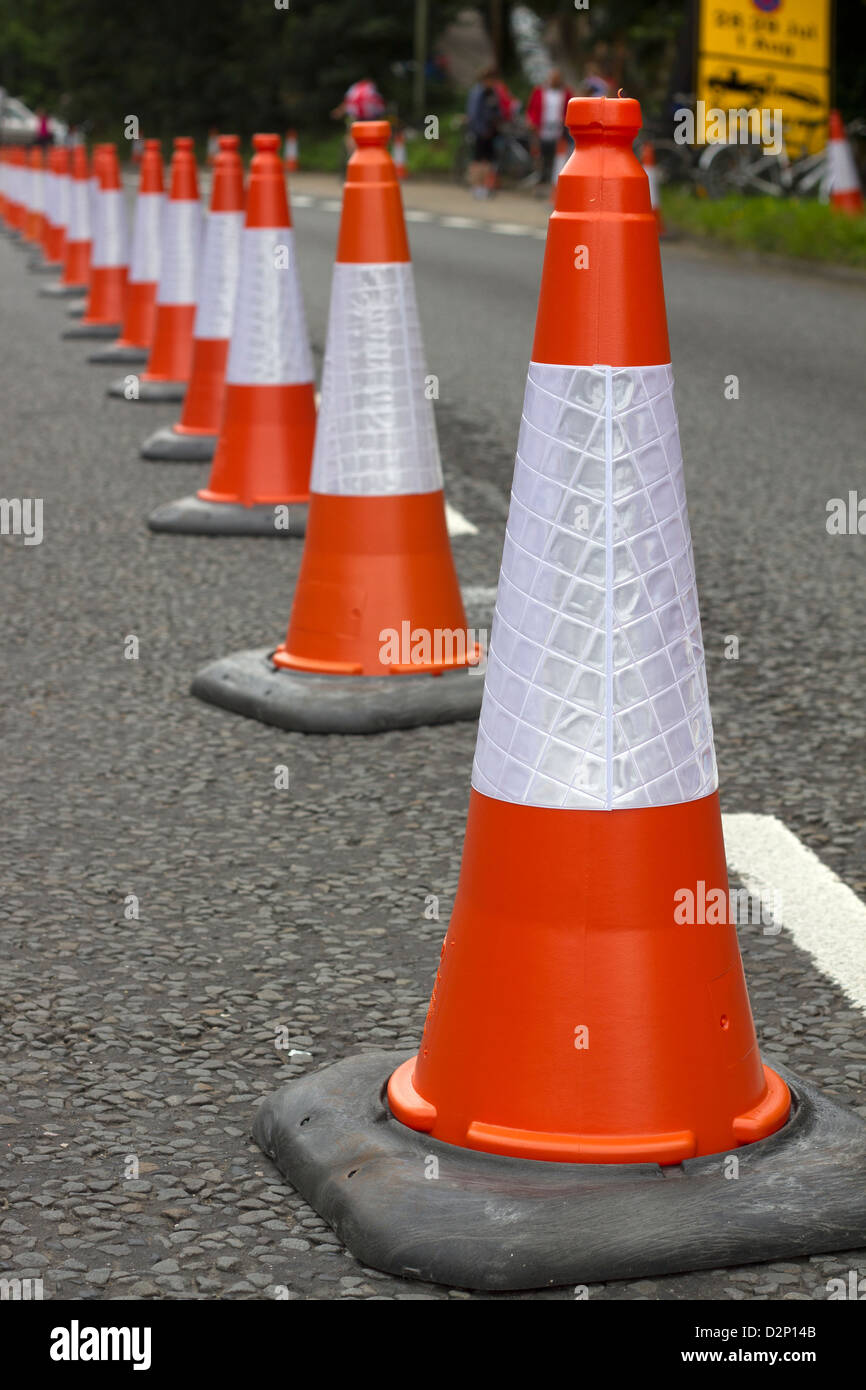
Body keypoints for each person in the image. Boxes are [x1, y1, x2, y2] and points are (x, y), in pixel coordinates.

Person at [526, 68, 573, 185]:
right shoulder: (539, 91)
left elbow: (570, 109)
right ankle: (539, 180)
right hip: (541, 130)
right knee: (539, 157)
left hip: (559, 131)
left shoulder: (566, 93)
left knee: (557, 159)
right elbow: (531, 109)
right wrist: (531, 121)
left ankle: (554, 183)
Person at [465, 66, 503, 198]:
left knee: (487, 161)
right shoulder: (478, 93)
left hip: (490, 131)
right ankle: (476, 186)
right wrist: (481, 130)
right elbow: (474, 114)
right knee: (477, 160)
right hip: (480, 132)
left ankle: (484, 186)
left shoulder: (492, 93)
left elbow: (497, 110)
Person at [331, 78, 386, 160]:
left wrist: (338, 112)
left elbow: (347, 102)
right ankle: (374, 156)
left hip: (356, 118)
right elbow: (380, 105)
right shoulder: (371, 88)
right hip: (371, 119)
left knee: (350, 135)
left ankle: (352, 156)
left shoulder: (354, 89)